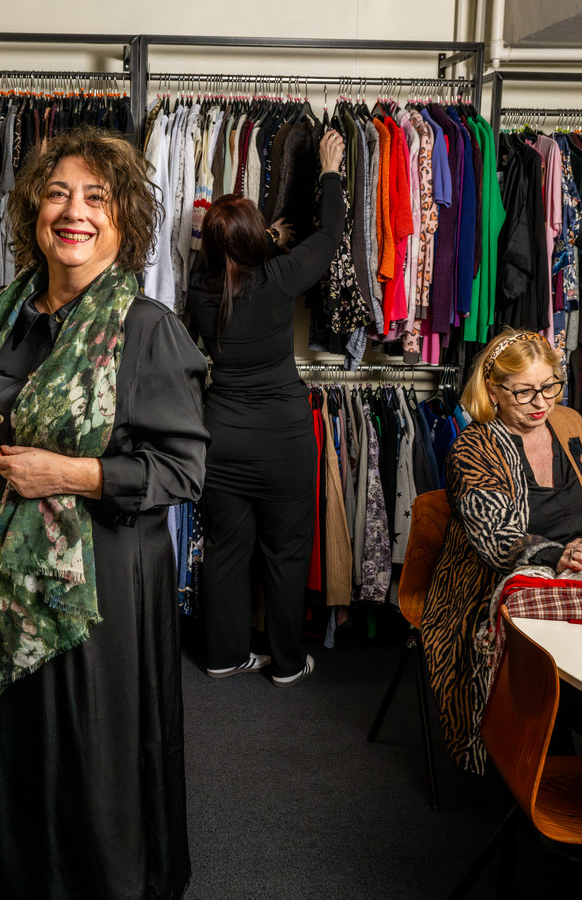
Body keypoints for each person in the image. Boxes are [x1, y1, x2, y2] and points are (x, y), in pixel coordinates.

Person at [0, 127, 208, 899]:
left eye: (95, 198)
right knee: (2, 759)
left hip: (90, 598)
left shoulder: (147, 329)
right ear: (32, 212)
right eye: (57, 194)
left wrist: (72, 473)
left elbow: (182, 470)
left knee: (77, 763)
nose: (73, 212)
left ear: (123, 220)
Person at [186, 129, 346, 687]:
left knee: (228, 549)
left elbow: (232, 273)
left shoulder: (198, 291)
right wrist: (329, 168)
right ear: (255, 241)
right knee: (285, 550)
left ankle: (223, 656)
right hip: (281, 437)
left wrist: (265, 240)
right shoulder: (278, 279)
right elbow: (330, 232)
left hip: (221, 436)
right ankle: (284, 661)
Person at [420, 328, 582, 775]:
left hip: (579, 569)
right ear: (493, 389)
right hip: (494, 580)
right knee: (556, 641)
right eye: (525, 391)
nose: (541, 403)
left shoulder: (569, 425)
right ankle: (542, 764)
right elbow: (497, 540)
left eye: (550, 386)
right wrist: (559, 556)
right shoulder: (473, 447)